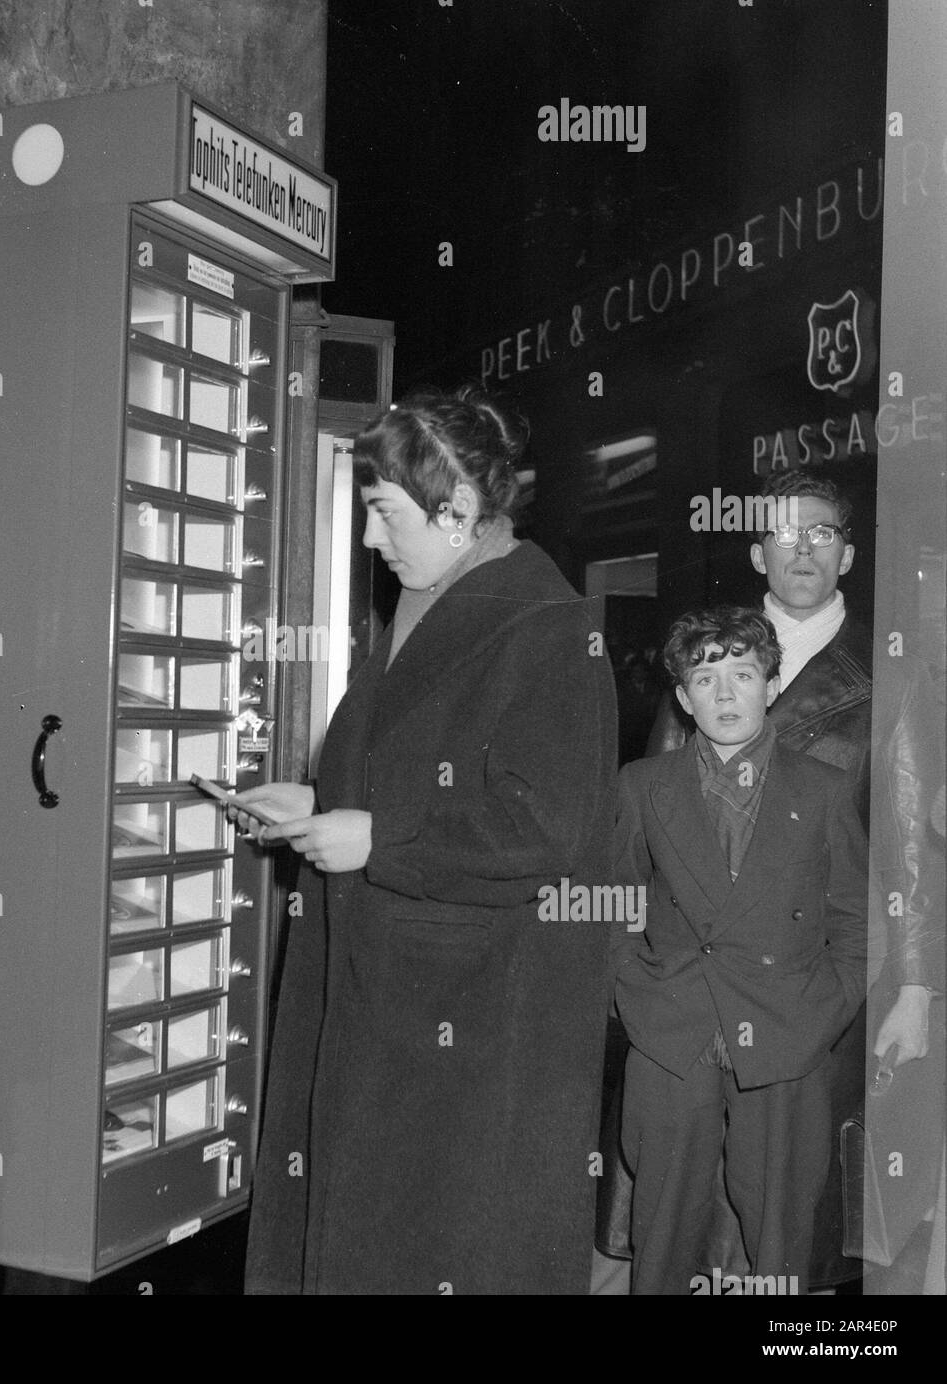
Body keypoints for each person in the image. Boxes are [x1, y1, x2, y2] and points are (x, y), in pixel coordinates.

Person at [237, 386, 618, 1294]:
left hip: (472, 1033)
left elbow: (541, 826)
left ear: (460, 510)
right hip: (399, 1007)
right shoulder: (432, 602)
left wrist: (378, 837)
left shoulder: (551, 630)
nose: (371, 539)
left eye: (382, 513)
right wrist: (318, 800)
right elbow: (420, 768)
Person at [596, 469, 938, 1289]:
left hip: (801, 998)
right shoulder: (708, 656)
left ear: (848, 555)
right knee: (673, 1224)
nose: (803, 551)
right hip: (684, 1013)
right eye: (785, 535)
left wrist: (915, 988)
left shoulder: (893, 676)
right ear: (758, 552)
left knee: (785, 1225)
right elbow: (634, 848)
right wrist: (637, 992)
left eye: (821, 535)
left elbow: (913, 849)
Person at [613, 607, 867, 1294]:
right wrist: (642, 1003)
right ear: (683, 696)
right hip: (674, 1035)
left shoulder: (822, 790)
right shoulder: (642, 787)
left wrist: (823, 1012)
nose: (725, 696)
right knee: (660, 1231)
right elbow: (611, 910)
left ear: (772, 686)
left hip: (785, 1037)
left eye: (744, 675)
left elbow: (854, 919)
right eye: (706, 677)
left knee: (780, 1236)